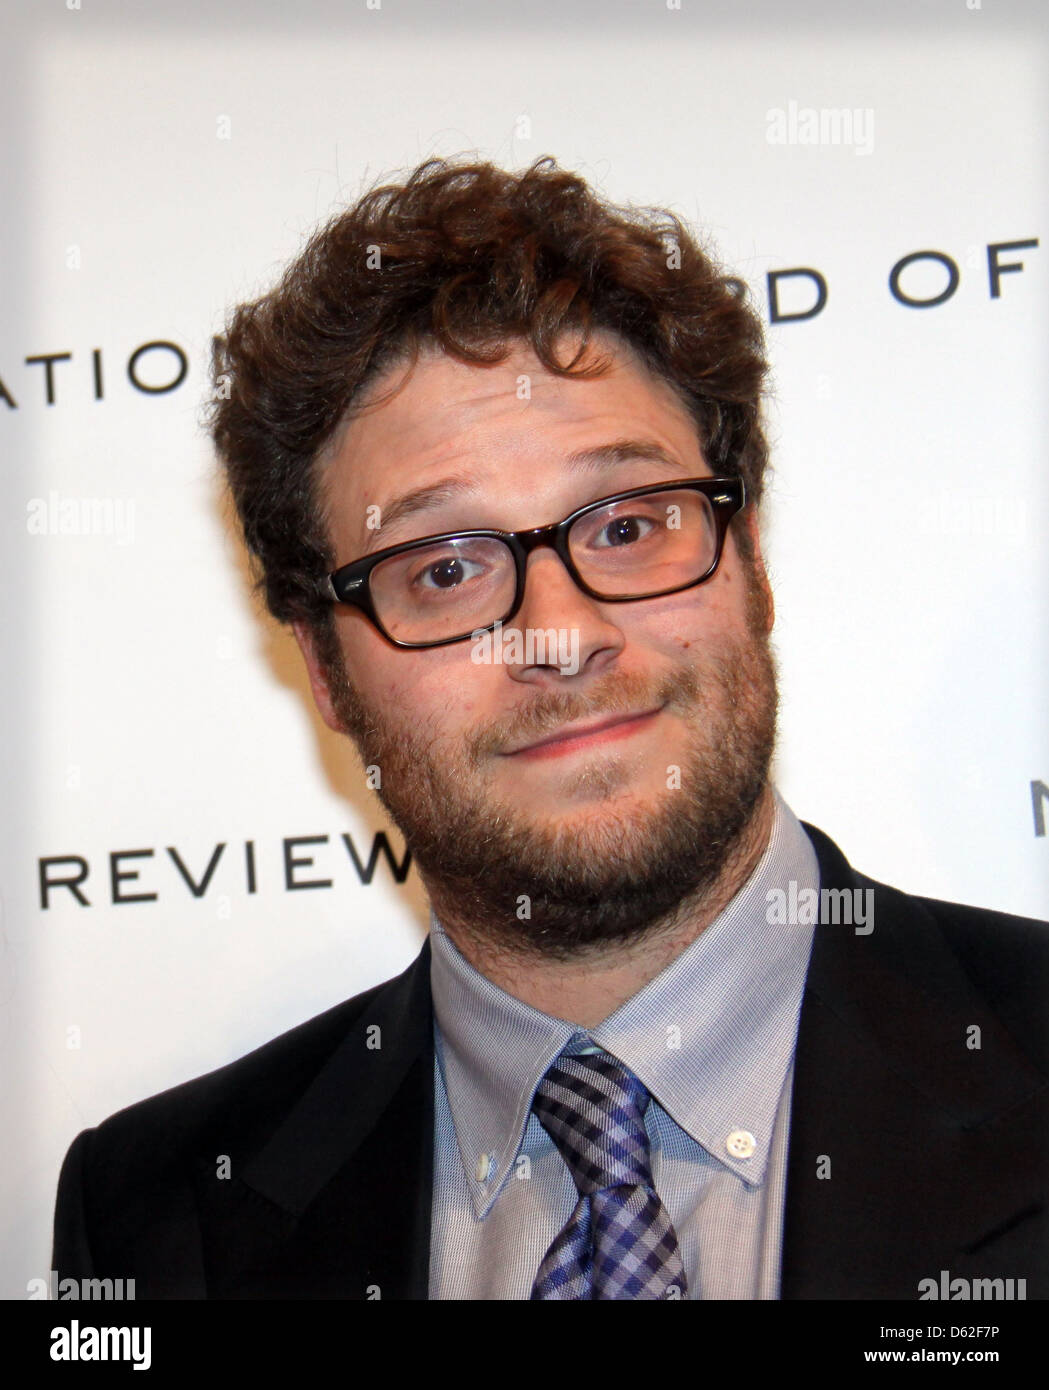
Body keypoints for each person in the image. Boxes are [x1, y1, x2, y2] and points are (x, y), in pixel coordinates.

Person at [53, 156, 1048, 1300]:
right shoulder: (156, 1224)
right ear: (324, 669)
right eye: (445, 568)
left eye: (626, 526)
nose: (560, 635)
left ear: (750, 561)